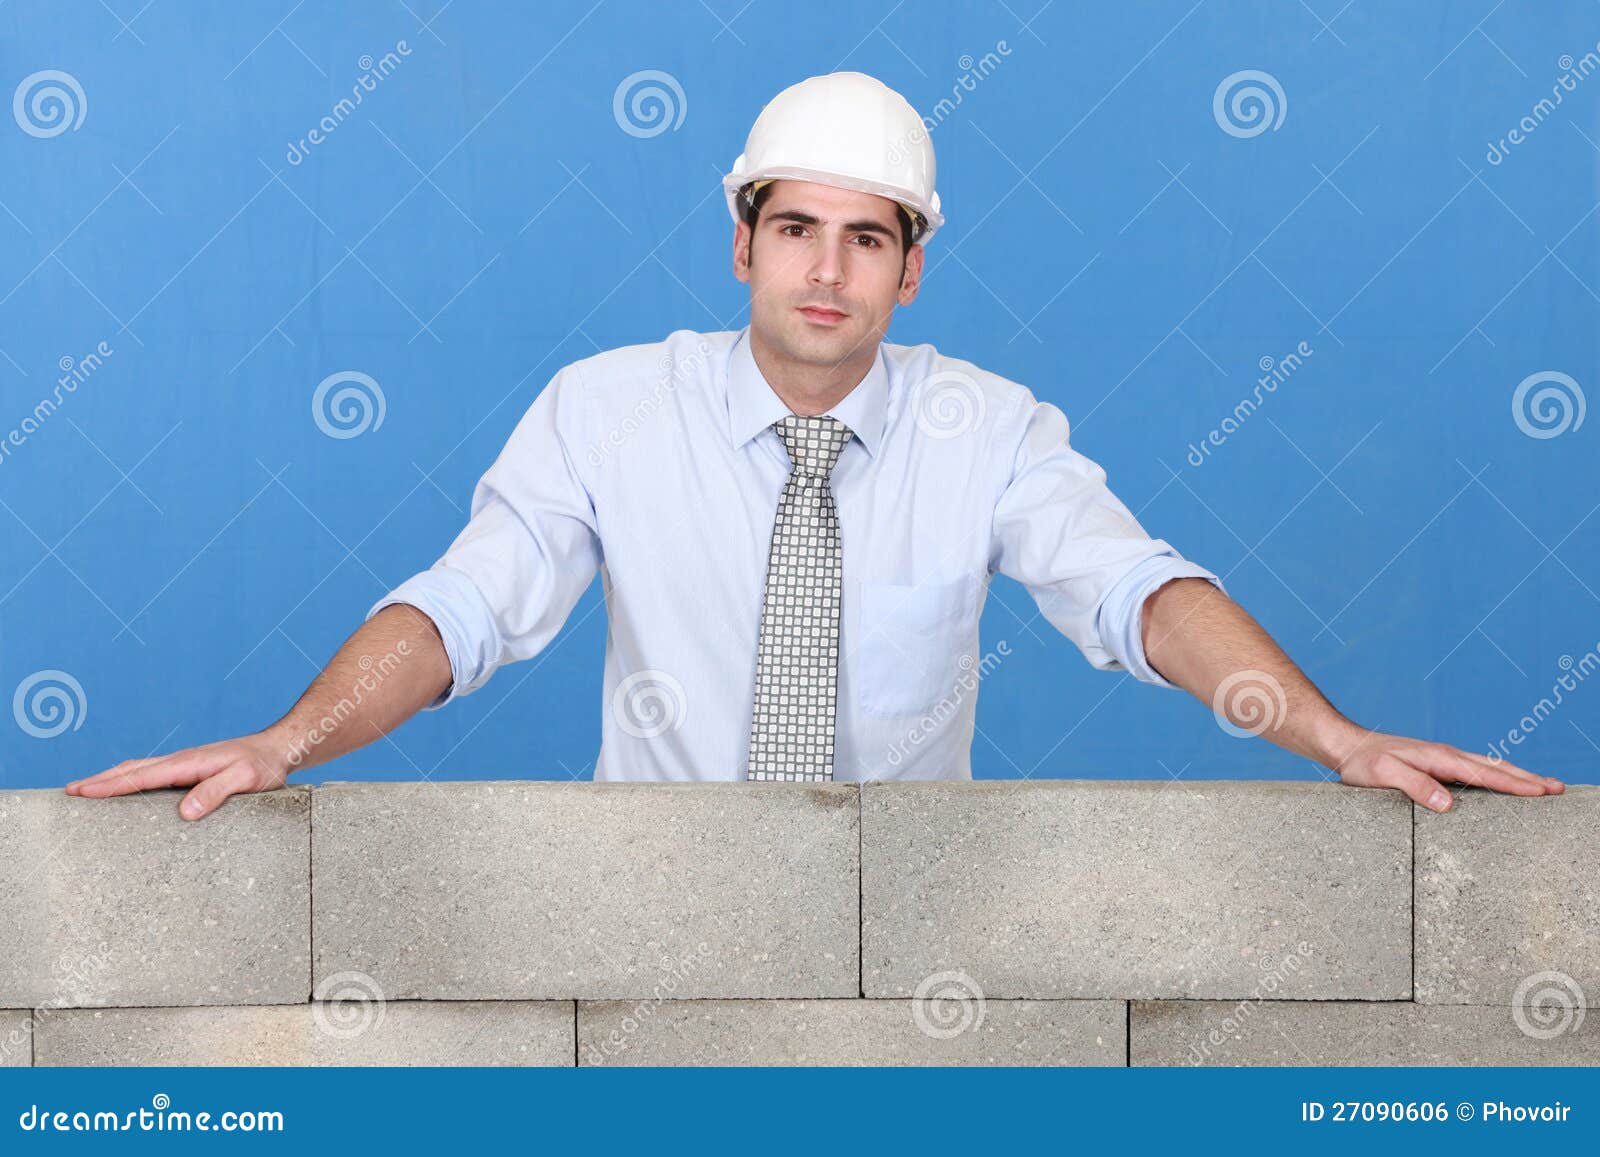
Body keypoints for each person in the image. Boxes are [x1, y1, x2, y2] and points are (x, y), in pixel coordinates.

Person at [66, 71, 1562, 818]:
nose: (827, 272)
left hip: (911, 939)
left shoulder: (991, 428)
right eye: (795, 229)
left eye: (866, 239)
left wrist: (1337, 737)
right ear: (741, 245)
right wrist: (286, 742)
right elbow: (467, 606)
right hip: (652, 920)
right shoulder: (609, 406)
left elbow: (1134, 591)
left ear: (913, 271)